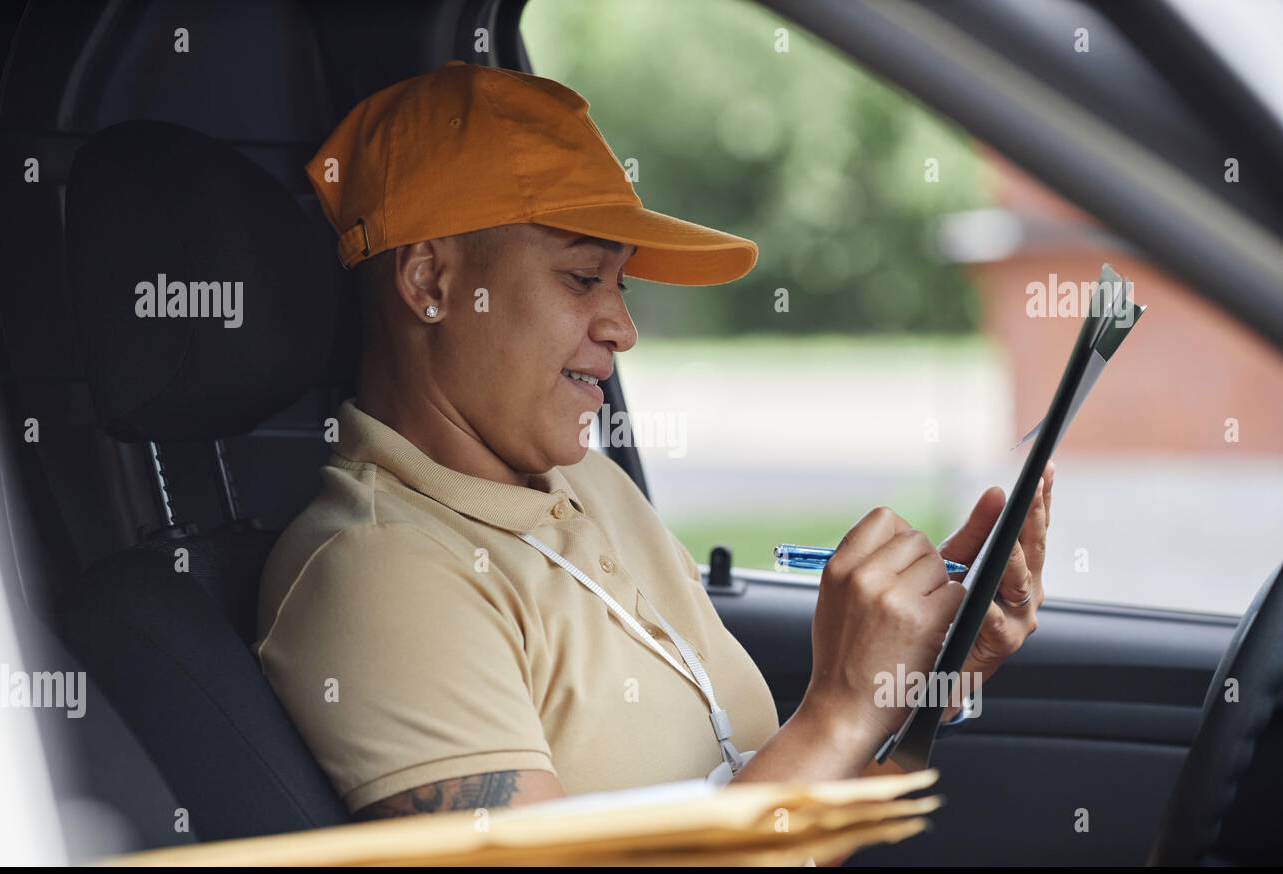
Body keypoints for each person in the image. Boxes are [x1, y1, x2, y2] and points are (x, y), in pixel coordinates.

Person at [254, 61, 1053, 822]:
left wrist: (914, 687)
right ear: (431, 282)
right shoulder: (380, 572)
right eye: (581, 278)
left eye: (621, 283)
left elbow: (776, 826)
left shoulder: (591, 487)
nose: (623, 328)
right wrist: (839, 709)